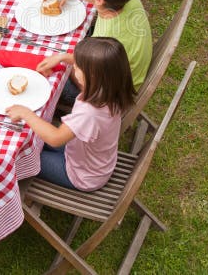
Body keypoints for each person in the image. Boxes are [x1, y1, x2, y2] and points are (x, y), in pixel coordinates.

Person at [7, 37, 135, 191]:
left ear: (92, 75)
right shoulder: (109, 89)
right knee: (32, 139)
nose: (74, 67)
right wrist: (62, 58)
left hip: (81, 175)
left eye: (78, 66)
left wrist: (26, 113)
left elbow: (55, 138)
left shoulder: (90, 113)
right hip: (88, 158)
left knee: (18, 160)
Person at [36, 0, 152, 100]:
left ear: (98, 0)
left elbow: (91, 84)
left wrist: (62, 59)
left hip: (109, 95)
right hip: (114, 68)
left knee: (51, 80)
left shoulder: (107, 40)